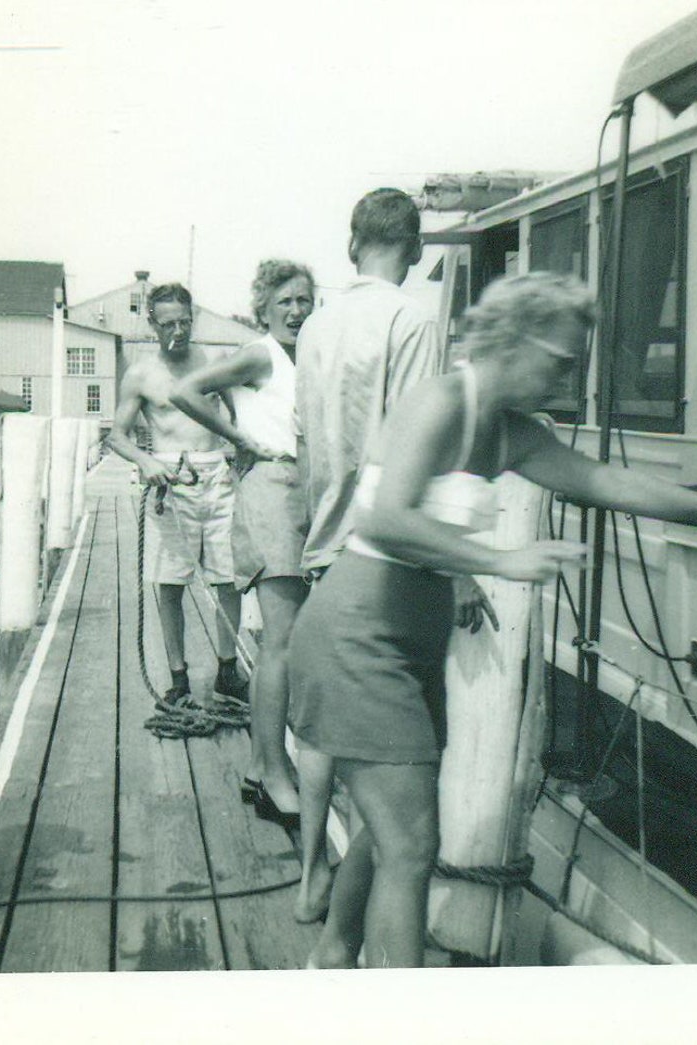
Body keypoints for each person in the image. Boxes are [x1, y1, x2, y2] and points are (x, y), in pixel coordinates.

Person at [287, 271, 697, 968]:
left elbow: (606, 482)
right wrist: (500, 560)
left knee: (393, 830)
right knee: (412, 847)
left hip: (411, 649)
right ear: (512, 340)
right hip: (355, 641)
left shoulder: (513, 433)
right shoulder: (441, 400)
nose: (569, 378)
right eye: (561, 361)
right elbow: (384, 521)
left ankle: (334, 950)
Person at [291, 187, 493, 924]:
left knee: (328, 737)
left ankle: (313, 875)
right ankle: (367, 917)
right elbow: (417, 446)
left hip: (325, 542)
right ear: (414, 247)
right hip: (385, 560)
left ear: (353, 245)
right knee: (401, 764)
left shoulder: (316, 323)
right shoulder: (412, 319)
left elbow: (306, 438)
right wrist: (458, 565)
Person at [170, 260, 315, 827]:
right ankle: (277, 775)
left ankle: (259, 767)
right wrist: (240, 439)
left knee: (290, 641)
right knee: (282, 641)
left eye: (304, 300)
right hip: (271, 491)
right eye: (285, 302)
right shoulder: (261, 354)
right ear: (264, 309)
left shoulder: (307, 357)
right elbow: (186, 390)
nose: (297, 311)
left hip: (304, 492)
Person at [106, 282, 249, 706]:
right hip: (169, 481)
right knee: (170, 584)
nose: (178, 331)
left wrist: (243, 455)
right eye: (168, 324)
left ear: (193, 317)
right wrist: (145, 461)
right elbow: (117, 436)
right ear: (152, 323)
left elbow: (240, 417)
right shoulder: (141, 374)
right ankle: (178, 677)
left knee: (229, 578)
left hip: (218, 478)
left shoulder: (215, 362)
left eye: (185, 321)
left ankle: (227, 671)